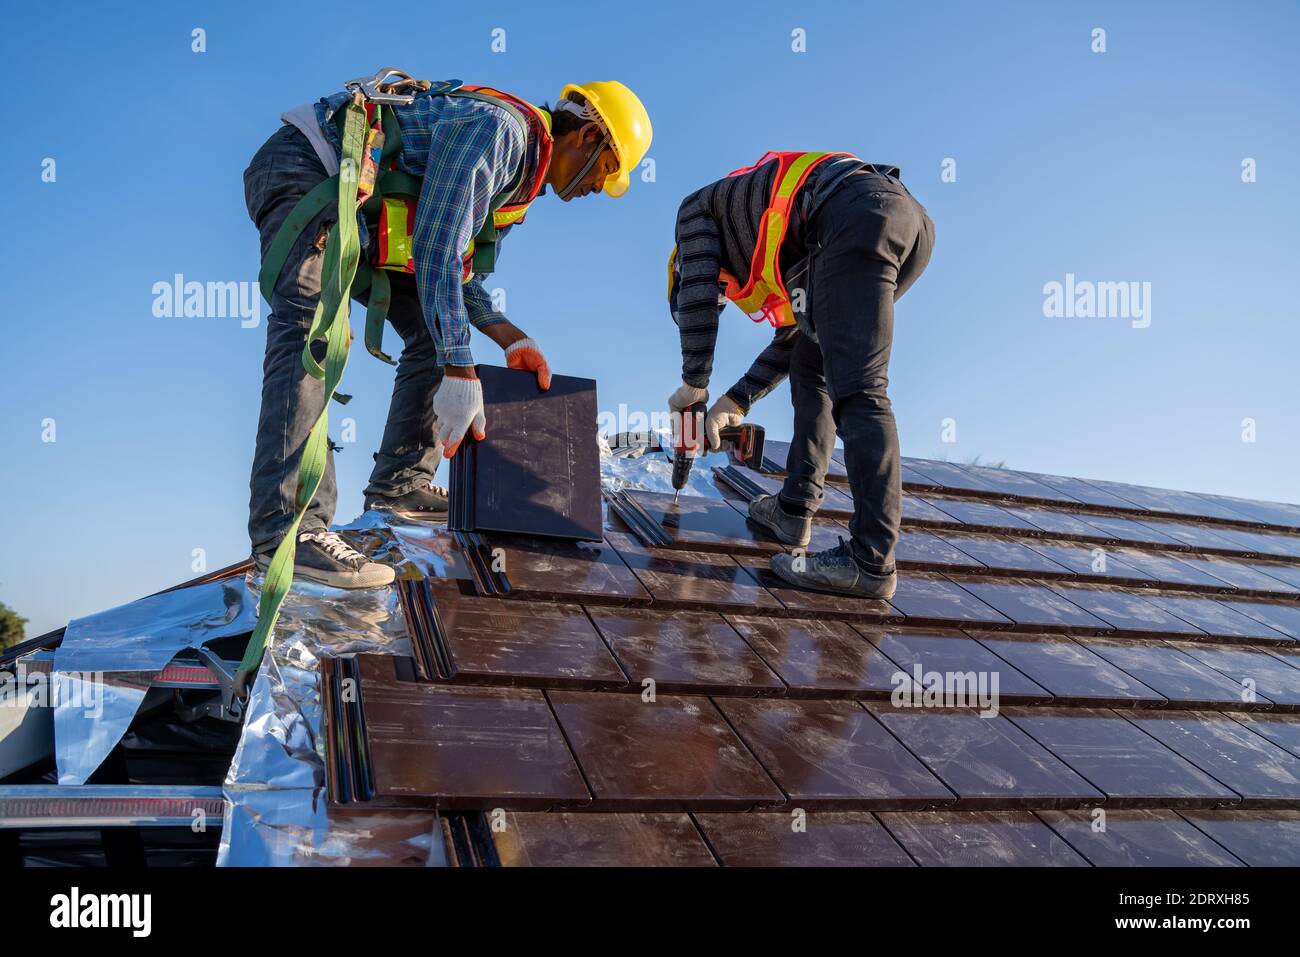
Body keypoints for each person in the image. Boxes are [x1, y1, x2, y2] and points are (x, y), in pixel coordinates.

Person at [244, 73, 652, 588]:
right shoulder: (502, 132)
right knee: (314, 335)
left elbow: (461, 277)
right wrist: (460, 364)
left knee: (437, 328)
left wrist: (511, 338)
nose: (598, 188)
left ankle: (400, 483)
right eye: (608, 171)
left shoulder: (520, 183)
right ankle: (290, 534)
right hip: (308, 169)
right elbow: (437, 245)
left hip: (361, 214)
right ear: (587, 137)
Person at [667, 151, 934, 599]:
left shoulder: (696, 212)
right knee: (813, 363)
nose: (724, 297)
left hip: (856, 212)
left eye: (721, 294)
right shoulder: (778, 238)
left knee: (861, 388)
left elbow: (696, 299)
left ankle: (871, 562)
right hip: (902, 221)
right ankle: (793, 510)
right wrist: (735, 402)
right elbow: (794, 339)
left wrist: (693, 386)